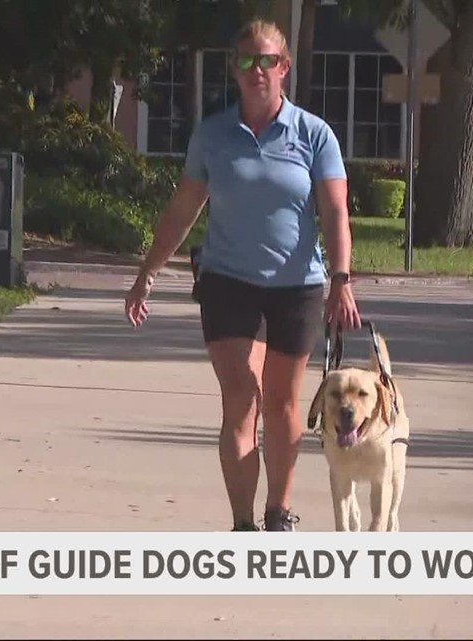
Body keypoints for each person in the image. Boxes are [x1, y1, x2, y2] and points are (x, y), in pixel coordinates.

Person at [124, 19, 360, 532]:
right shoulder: (213, 135)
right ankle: (242, 524)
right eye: (248, 60)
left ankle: (278, 512)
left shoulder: (313, 134)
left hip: (297, 286)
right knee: (240, 398)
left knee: (281, 403)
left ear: (284, 67)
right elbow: (183, 208)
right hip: (228, 281)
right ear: (235, 68)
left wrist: (341, 279)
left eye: (267, 60)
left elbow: (335, 210)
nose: (258, 70)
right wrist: (147, 272)